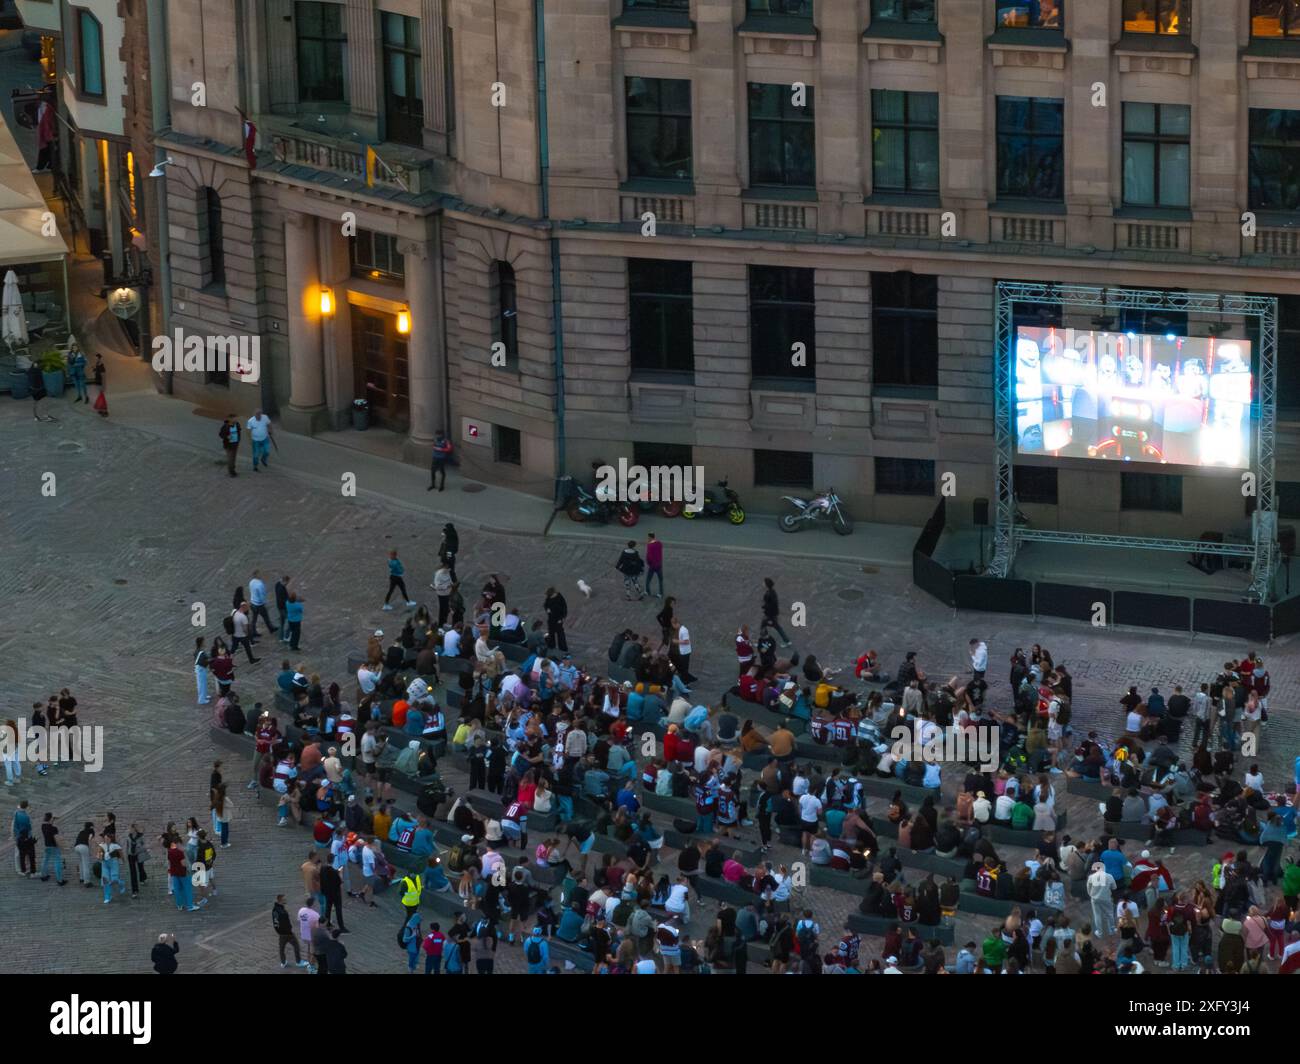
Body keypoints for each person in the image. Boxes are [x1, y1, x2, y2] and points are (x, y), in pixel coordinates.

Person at [762, 578, 790, 646]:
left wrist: (765, 607)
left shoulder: (769, 594)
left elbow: (771, 605)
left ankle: (786, 641)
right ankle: (765, 639)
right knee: (764, 625)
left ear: (766, 585)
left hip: (770, 614)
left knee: (774, 626)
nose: (762, 583)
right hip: (772, 614)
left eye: (764, 583)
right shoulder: (772, 592)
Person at [544, 586, 569, 653]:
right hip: (551, 618)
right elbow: (545, 605)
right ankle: (551, 646)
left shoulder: (559, 598)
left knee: (560, 634)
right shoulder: (548, 598)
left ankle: (563, 648)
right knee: (551, 633)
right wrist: (547, 609)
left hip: (558, 619)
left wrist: (561, 618)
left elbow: (564, 609)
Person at [645, 532, 664, 598]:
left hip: (653, 565)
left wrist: (649, 563)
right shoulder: (659, 543)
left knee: (648, 579)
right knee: (660, 579)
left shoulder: (649, 545)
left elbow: (649, 556)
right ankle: (661, 593)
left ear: (650, 537)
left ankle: (647, 591)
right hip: (659, 563)